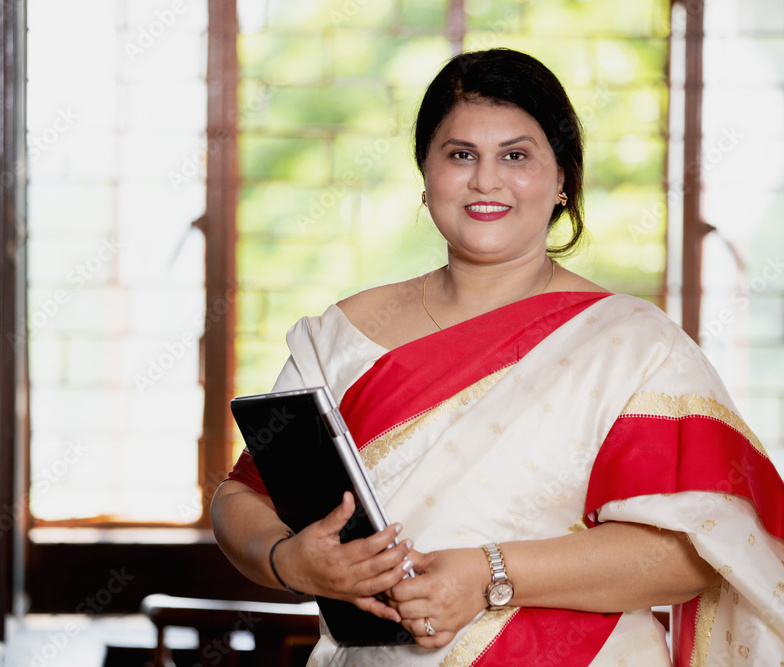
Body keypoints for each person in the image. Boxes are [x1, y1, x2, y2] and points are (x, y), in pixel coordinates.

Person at [211, 48, 784, 665]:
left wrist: (489, 573)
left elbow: (697, 553)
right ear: (426, 174)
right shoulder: (342, 336)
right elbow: (244, 496)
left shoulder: (633, 344)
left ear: (562, 179)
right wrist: (288, 561)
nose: (486, 181)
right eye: (460, 155)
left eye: (516, 156)